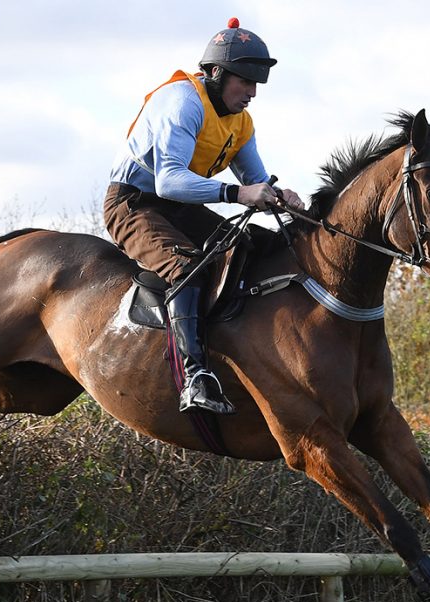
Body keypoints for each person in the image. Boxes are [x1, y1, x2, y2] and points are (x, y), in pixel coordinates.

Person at [104, 18, 304, 416]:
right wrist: (236, 194)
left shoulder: (241, 123)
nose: (251, 93)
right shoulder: (182, 102)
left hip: (181, 206)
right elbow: (170, 182)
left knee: (251, 245)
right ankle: (195, 377)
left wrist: (279, 195)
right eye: (244, 81)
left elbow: (255, 180)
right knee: (186, 267)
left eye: (256, 84)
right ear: (215, 73)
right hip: (133, 204)